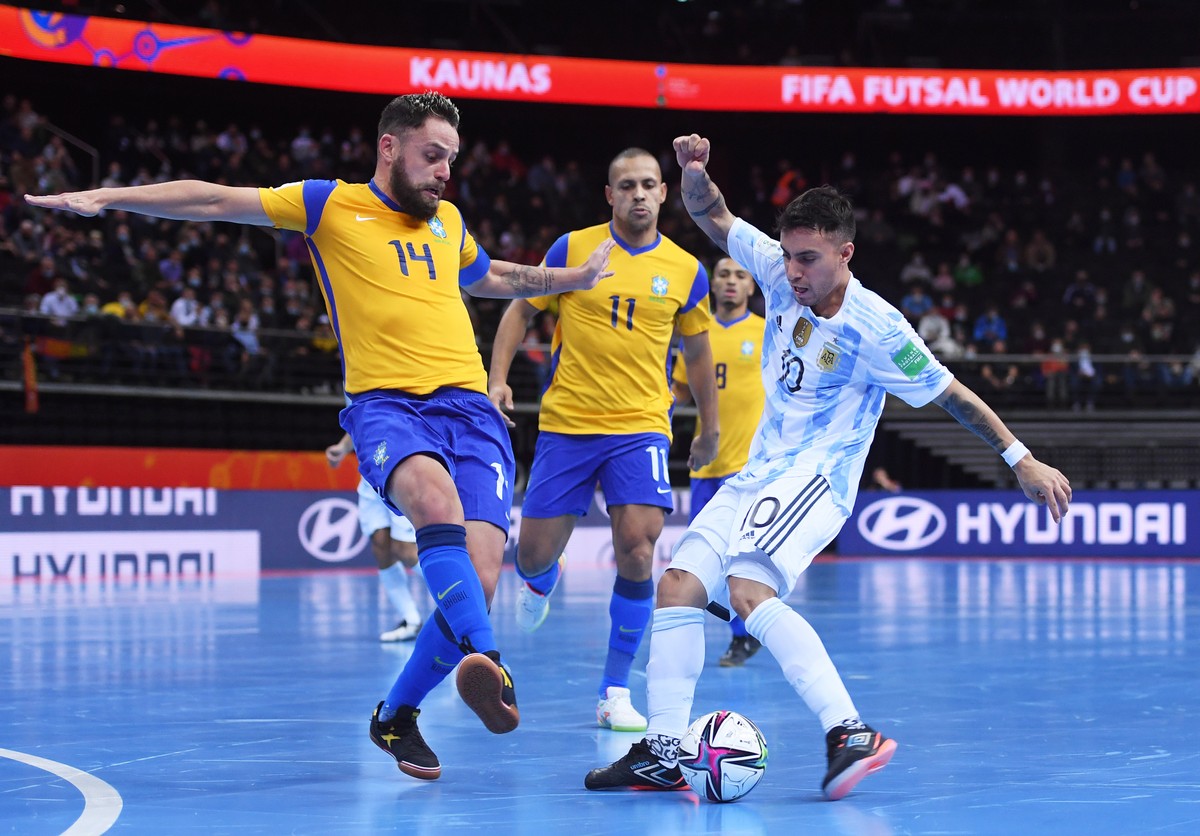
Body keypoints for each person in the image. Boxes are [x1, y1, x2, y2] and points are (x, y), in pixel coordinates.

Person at [27, 91, 616, 781]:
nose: (444, 173)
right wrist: (110, 196)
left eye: (451, 160)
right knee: (433, 506)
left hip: (472, 409)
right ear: (390, 148)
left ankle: (397, 716)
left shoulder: (448, 220)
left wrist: (571, 278)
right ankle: (494, 663)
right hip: (388, 405)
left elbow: (490, 276)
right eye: (432, 156)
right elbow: (214, 200)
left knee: (480, 578)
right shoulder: (327, 204)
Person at [584, 134, 1071, 801]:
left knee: (749, 593)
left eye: (808, 259)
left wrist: (1021, 459)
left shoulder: (878, 328)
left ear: (845, 254)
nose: (792, 273)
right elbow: (714, 216)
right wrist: (693, 173)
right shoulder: (780, 271)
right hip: (759, 471)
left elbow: (950, 394)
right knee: (678, 586)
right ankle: (667, 751)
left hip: (818, 479)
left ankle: (850, 731)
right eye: (787, 256)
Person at [488, 147, 720, 733]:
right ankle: (541, 580)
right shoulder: (572, 249)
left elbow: (697, 352)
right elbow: (520, 311)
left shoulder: (688, 270)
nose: (638, 194)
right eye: (626, 186)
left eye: (648, 184)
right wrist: (496, 381)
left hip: (641, 427)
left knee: (639, 550)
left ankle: (614, 688)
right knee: (532, 554)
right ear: (609, 194)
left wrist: (709, 427)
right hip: (568, 424)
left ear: (664, 193)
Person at [670, 255, 765, 669]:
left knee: (741, 558)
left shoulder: (768, 332)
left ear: (750, 288)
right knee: (703, 556)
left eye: (739, 275)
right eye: (723, 274)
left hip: (749, 466)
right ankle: (726, 630)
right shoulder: (697, 331)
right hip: (705, 463)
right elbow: (679, 394)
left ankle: (744, 635)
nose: (730, 281)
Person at [326, 432, 423, 642]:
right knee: (381, 547)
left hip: (398, 464)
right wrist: (343, 448)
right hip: (370, 471)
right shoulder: (350, 396)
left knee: (405, 549)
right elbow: (361, 417)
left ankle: (463, 599)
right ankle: (411, 620)